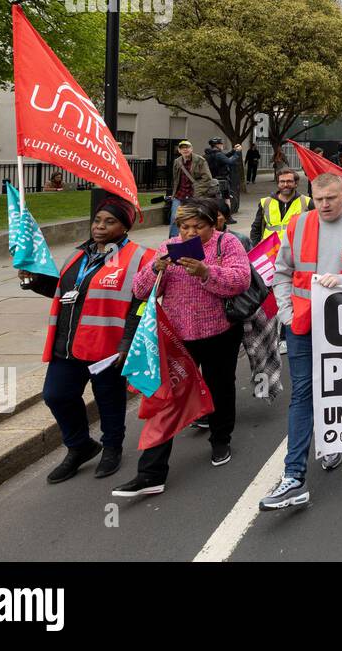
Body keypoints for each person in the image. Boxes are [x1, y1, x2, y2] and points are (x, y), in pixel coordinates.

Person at [260, 173, 342, 510]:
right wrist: (286, 312)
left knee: (340, 388)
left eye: (332, 198)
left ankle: (332, 438)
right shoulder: (299, 225)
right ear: (312, 198)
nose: (326, 205)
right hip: (302, 324)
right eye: (319, 200)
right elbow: (282, 272)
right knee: (302, 393)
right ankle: (294, 477)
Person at [113, 199, 251, 499]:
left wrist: (205, 272)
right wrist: (155, 269)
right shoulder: (168, 247)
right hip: (176, 338)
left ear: (211, 224)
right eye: (184, 226)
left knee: (220, 387)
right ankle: (150, 474)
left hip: (219, 333)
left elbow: (241, 280)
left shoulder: (226, 244)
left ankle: (220, 438)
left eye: (196, 227)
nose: (189, 233)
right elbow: (140, 290)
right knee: (165, 400)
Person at [25, 196, 150, 484]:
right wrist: (34, 281)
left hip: (108, 346)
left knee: (109, 399)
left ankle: (112, 447)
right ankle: (80, 446)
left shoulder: (140, 258)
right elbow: (66, 292)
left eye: (110, 222)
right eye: (97, 220)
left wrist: (126, 343)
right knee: (56, 395)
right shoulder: (78, 255)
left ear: (124, 227)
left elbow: (140, 305)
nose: (100, 227)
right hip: (67, 343)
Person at [168, 140, 218, 238]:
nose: (185, 149)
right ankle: (173, 241)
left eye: (187, 147)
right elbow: (175, 179)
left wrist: (197, 192)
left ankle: (196, 239)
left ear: (191, 149)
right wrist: (174, 194)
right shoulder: (177, 161)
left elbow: (207, 178)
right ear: (179, 150)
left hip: (194, 195)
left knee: (195, 219)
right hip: (180, 195)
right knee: (175, 218)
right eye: (182, 148)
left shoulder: (200, 160)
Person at [250, 169, 311, 246]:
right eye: (282, 181)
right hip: (270, 251)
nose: (285, 184)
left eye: (289, 181)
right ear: (278, 184)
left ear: (296, 184)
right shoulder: (266, 202)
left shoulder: (307, 202)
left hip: (295, 249)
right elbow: (256, 228)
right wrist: (255, 248)